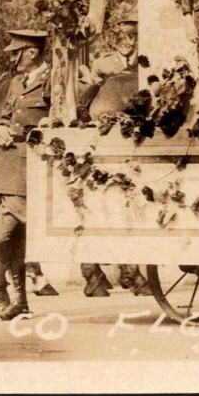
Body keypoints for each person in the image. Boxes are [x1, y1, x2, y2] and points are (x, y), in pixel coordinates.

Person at [74, 18, 151, 297]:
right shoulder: (103, 65)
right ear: (115, 40)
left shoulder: (147, 62)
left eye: (133, 36)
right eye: (123, 36)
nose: (129, 41)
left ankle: (128, 269)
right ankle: (102, 270)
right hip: (108, 137)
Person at [0, 29, 50, 320]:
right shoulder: (16, 82)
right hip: (7, 165)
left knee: (1, 235)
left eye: (16, 53)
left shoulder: (54, 80)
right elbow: (5, 115)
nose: (13, 58)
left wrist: (48, 122)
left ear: (31, 53)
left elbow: (63, 113)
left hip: (32, 164)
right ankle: (18, 300)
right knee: (14, 238)